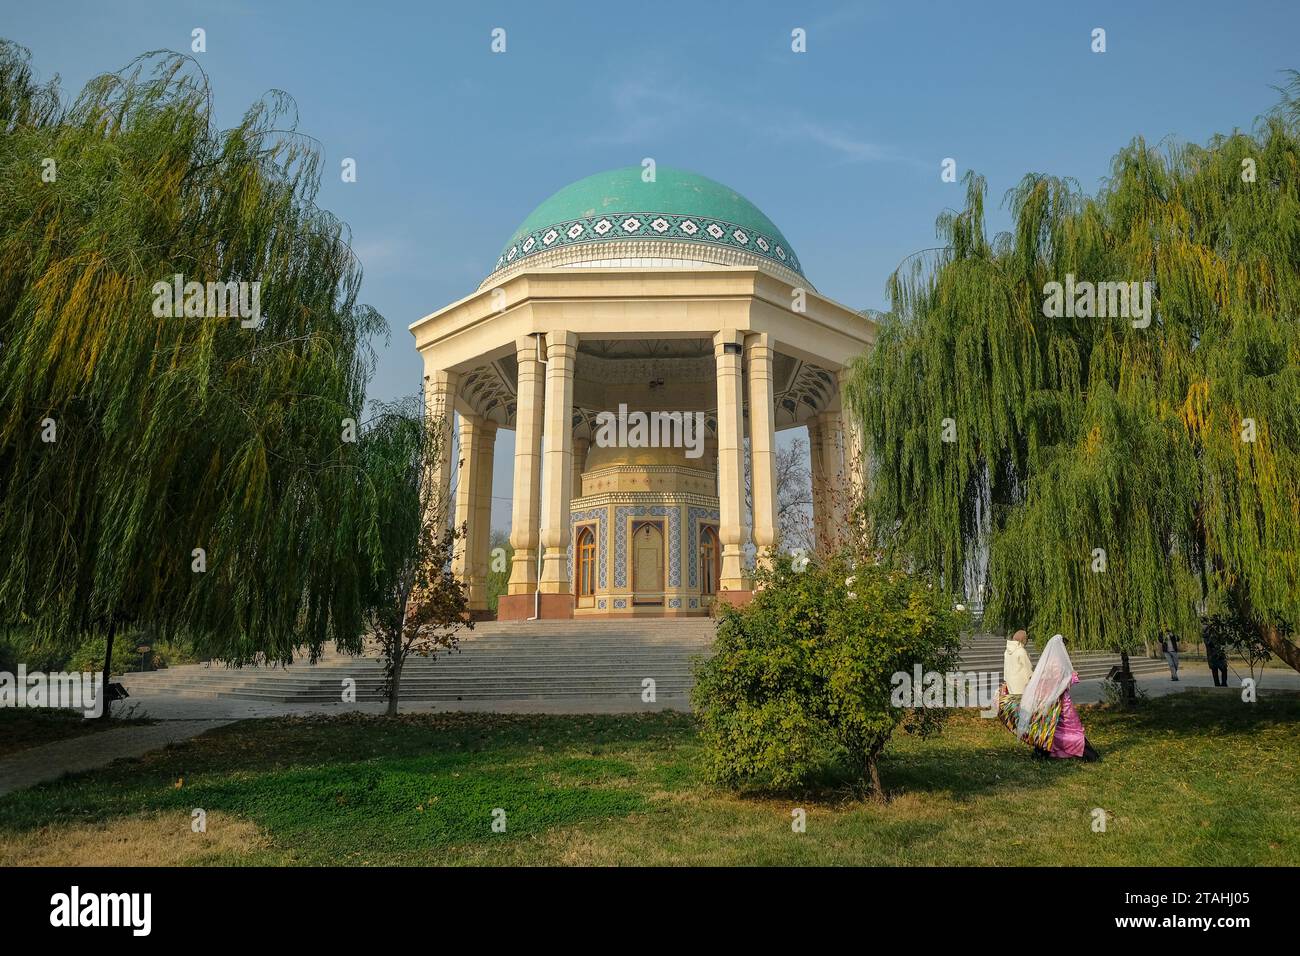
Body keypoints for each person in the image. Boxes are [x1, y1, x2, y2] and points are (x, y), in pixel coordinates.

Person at [1000, 633, 1100, 761]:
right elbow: (1060, 682)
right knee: (1072, 728)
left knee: (1051, 727)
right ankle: (1089, 755)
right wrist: (1073, 677)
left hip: (1051, 701)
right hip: (1062, 702)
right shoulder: (1059, 662)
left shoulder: (1048, 661)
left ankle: (1043, 753)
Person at [1003, 629, 1034, 695]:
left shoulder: (1007, 651)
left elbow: (1006, 667)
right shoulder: (1021, 651)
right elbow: (1027, 668)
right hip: (1020, 683)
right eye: (1026, 638)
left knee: (1014, 701)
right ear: (1023, 639)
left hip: (1010, 681)